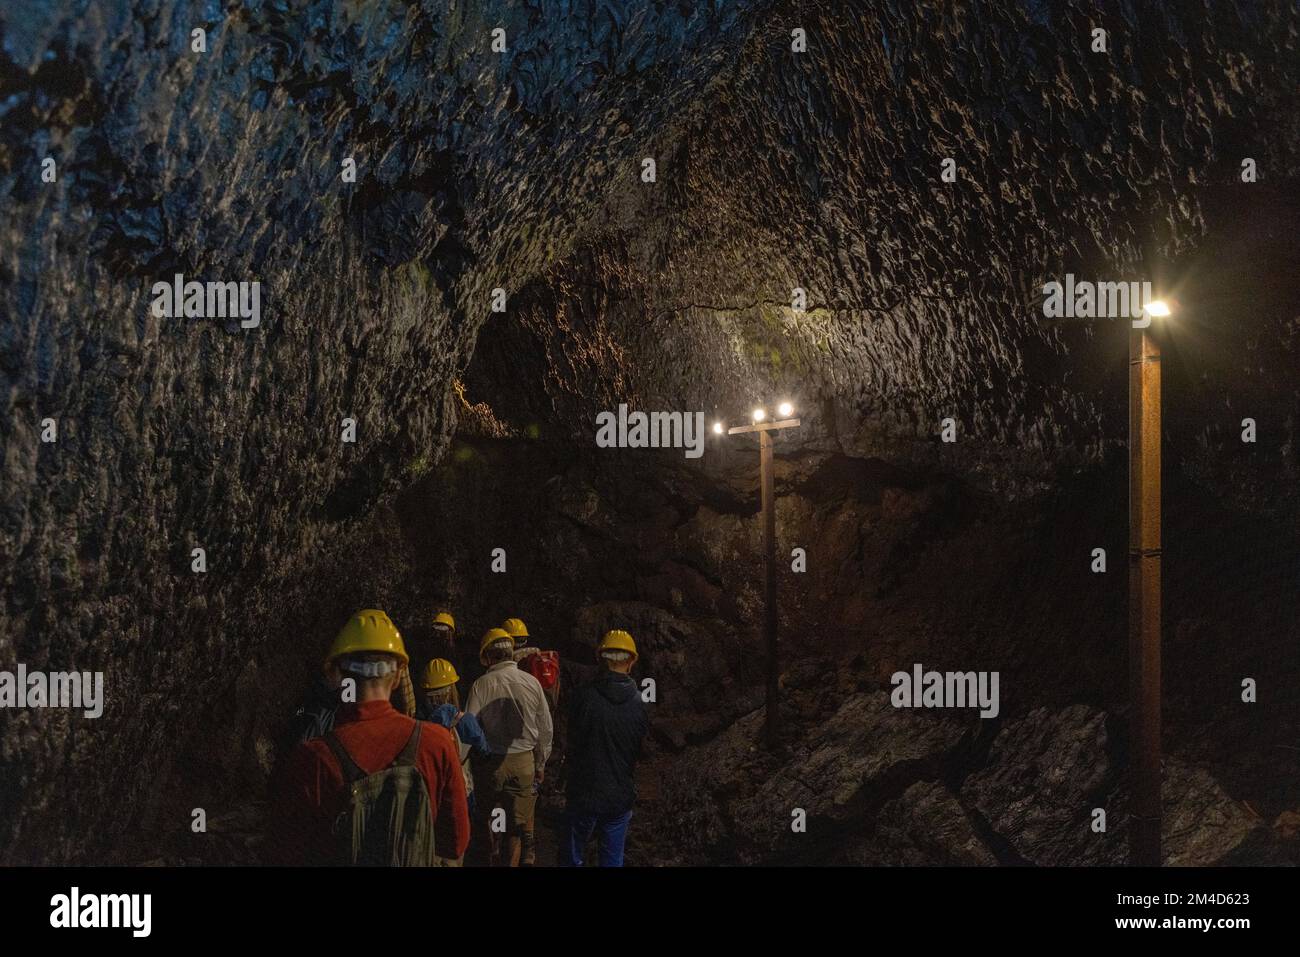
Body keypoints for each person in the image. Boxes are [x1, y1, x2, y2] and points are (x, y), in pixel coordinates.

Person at [268, 609, 470, 866]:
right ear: (397, 676)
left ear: (339, 676)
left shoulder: (313, 758)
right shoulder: (437, 743)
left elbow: (288, 852)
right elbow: (455, 843)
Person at [560, 629, 648, 868]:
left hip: (584, 792)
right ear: (631, 661)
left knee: (572, 856)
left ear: (601, 659)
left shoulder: (583, 697)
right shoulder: (640, 704)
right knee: (612, 860)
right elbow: (639, 751)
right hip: (619, 795)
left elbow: (574, 744)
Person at [466, 627, 553, 867]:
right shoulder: (531, 682)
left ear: (489, 656)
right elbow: (545, 729)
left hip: (491, 762)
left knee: (490, 815)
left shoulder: (480, 685)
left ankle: (490, 855)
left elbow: (469, 728)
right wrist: (541, 762)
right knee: (515, 827)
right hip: (524, 761)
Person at [418, 657, 490, 865]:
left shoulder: (418, 723)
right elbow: (484, 751)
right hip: (461, 793)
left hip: (430, 794)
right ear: (451, 689)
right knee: (456, 850)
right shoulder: (465, 721)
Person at [502, 616, 558, 866]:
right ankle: (530, 847)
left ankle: (508, 847)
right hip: (536, 743)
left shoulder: (508, 669)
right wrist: (543, 760)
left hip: (514, 744)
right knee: (530, 795)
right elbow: (548, 717)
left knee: (508, 799)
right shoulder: (543, 664)